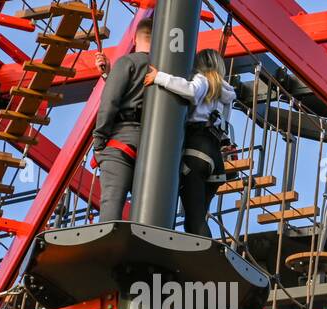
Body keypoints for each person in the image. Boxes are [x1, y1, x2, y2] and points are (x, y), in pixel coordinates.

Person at [145, 50, 236, 237]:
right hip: (215, 160)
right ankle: (207, 255)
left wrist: (159, 77)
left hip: (196, 152)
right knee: (199, 216)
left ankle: (205, 259)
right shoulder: (225, 92)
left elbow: (190, 91)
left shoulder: (203, 79)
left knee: (193, 221)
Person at [91, 18, 153, 222]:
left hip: (121, 143)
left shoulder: (127, 63)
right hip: (150, 145)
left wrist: (99, 142)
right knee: (146, 211)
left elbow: (110, 102)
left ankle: (106, 251)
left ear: (135, 38)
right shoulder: (163, 70)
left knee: (111, 203)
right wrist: (109, 75)